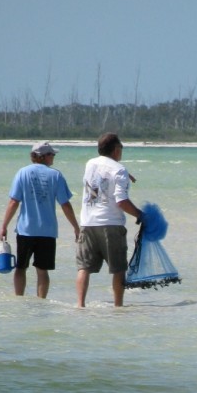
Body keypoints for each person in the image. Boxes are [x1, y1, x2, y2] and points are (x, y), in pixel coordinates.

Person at [0, 142, 80, 298]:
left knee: (21, 267)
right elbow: (65, 204)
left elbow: (14, 202)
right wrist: (76, 227)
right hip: (47, 231)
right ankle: (41, 303)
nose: (53, 157)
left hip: (26, 230)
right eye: (52, 154)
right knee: (42, 271)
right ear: (43, 156)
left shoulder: (22, 173)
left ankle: (19, 299)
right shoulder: (56, 175)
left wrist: (4, 226)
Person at [76, 132, 143, 308]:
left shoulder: (90, 163)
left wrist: (125, 174)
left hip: (87, 223)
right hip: (111, 224)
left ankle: (80, 305)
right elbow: (121, 201)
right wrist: (140, 214)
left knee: (84, 267)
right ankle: (118, 307)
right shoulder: (119, 170)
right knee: (119, 269)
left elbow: (102, 174)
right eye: (121, 148)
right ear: (115, 150)